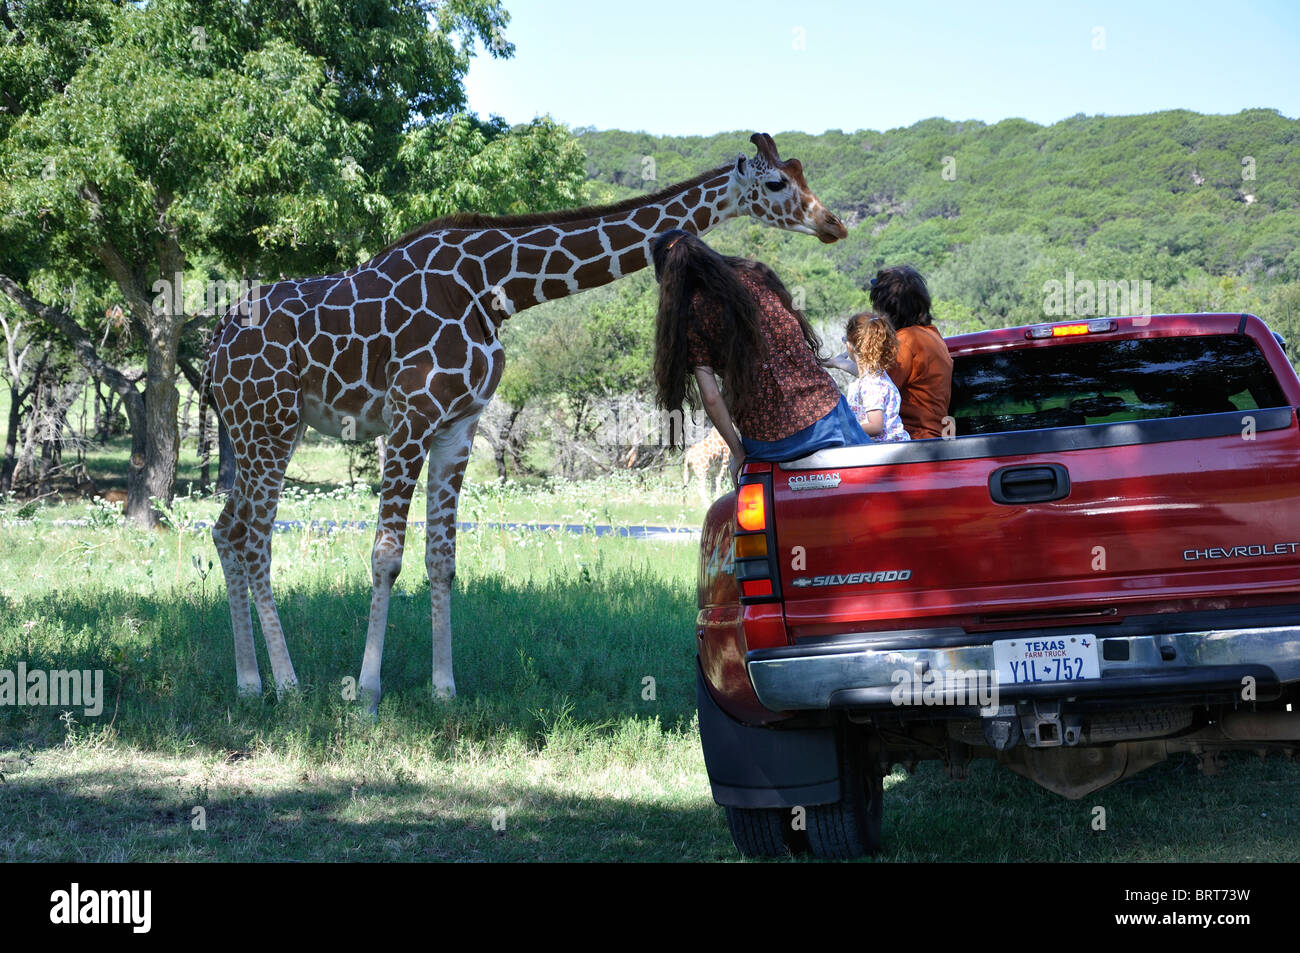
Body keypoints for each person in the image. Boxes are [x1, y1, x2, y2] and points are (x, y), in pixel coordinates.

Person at [651, 229, 869, 485]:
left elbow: (711, 397)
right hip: (823, 412)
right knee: (866, 489)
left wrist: (738, 453)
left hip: (765, 440)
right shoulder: (755, 273)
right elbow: (795, 328)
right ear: (704, 252)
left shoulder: (691, 316)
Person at [868, 266, 953, 439]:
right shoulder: (932, 335)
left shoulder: (905, 342)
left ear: (887, 309)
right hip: (933, 439)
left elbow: (878, 388)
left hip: (911, 441)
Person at [842, 312, 910, 443]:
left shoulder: (871, 385)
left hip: (885, 453)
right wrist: (836, 363)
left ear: (850, 346)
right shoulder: (877, 375)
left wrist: (844, 430)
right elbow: (860, 372)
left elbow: (875, 426)